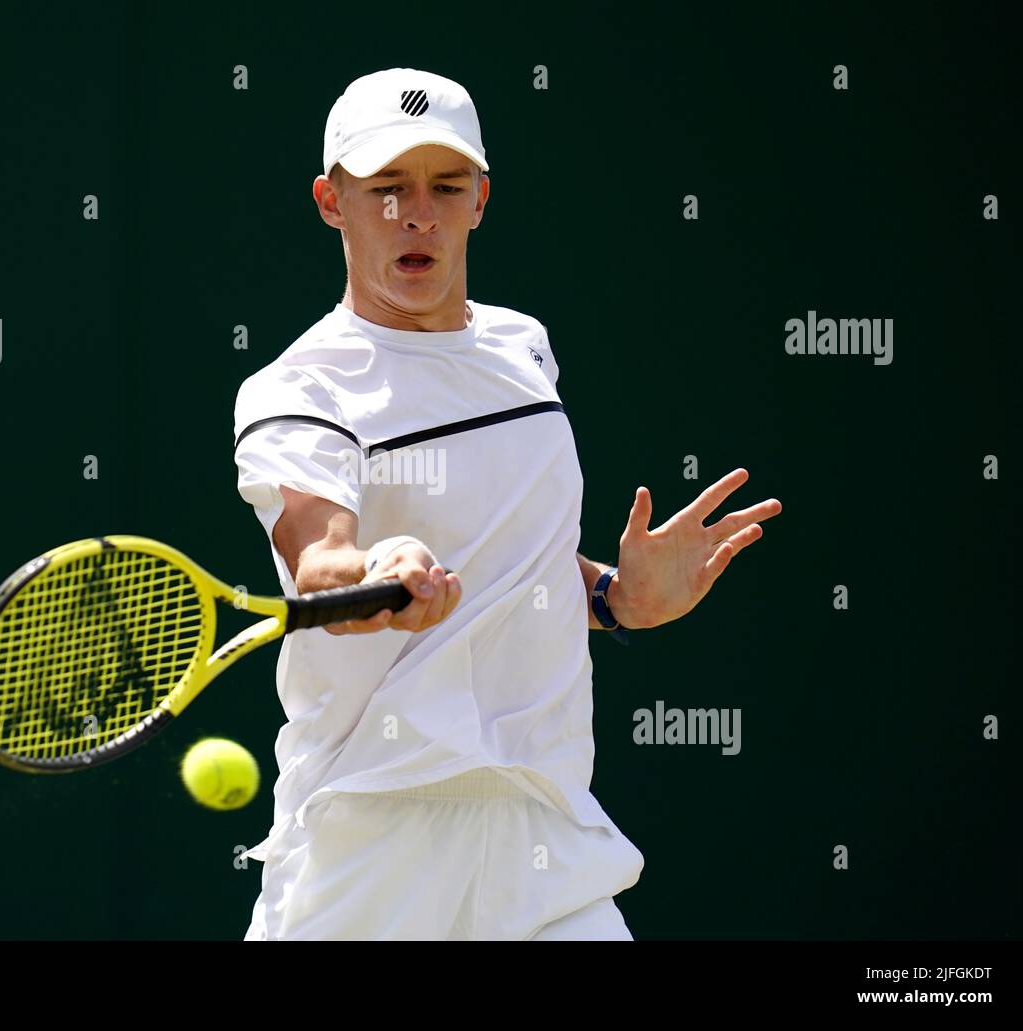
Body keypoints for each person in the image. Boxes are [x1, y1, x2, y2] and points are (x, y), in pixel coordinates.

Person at [232, 68, 782, 940]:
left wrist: (613, 596)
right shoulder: (299, 390)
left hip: (544, 829)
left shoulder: (524, 348)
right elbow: (318, 563)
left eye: (446, 188)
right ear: (331, 201)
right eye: (385, 189)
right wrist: (378, 570)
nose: (417, 214)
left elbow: (511, 556)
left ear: (479, 200)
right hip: (375, 841)